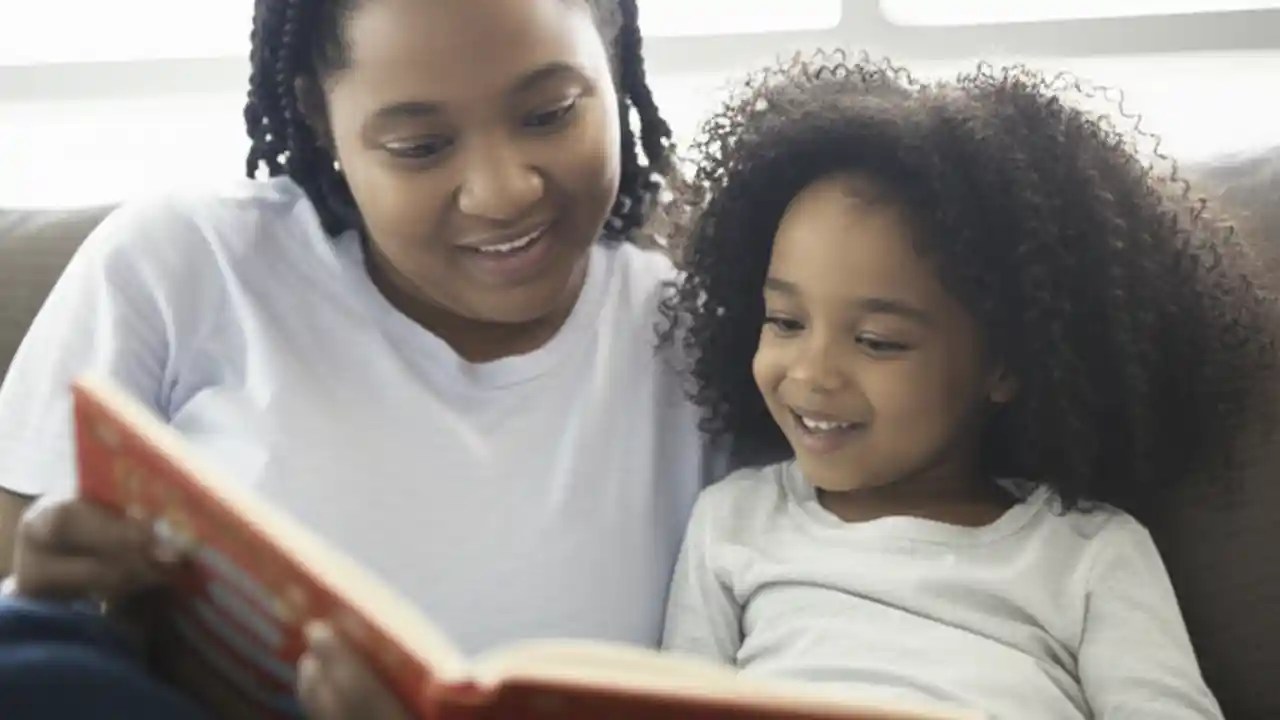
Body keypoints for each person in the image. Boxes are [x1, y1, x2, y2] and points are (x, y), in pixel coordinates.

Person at [0, 1, 713, 718]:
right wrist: (45, 607)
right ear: (319, 114)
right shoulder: (184, 266)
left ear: (611, 56)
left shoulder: (706, 339)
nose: (502, 193)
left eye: (549, 114)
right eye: (421, 146)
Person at [659, 55, 1275, 719]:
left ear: (1003, 365)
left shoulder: (1088, 552)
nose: (810, 373)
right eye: (785, 322)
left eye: (877, 341)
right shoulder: (734, 522)